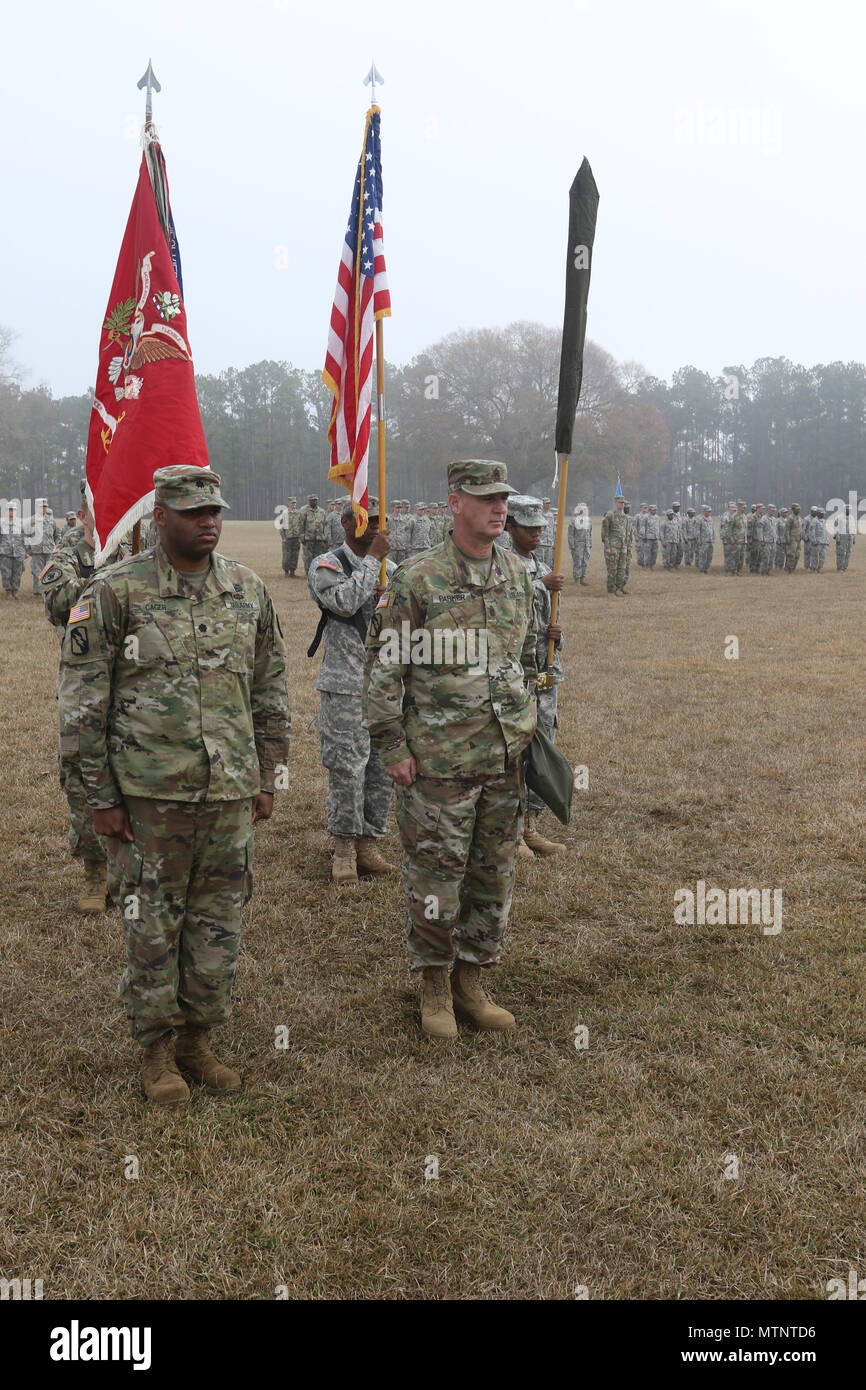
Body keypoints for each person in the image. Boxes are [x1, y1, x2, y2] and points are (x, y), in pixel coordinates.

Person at [57, 465, 290, 1107]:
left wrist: (267, 774)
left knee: (219, 922)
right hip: (149, 797)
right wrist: (99, 799)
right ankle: (156, 1050)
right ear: (159, 516)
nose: (208, 521)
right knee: (152, 923)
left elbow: (269, 686)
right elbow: (81, 706)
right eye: (192, 512)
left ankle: (199, 1041)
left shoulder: (247, 590)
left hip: (228, 793)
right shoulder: (113, 593)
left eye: (214, 510)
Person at [363, 459, 537, 1041]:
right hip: (438, 761)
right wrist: (392, 745)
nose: (499, 507)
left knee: (493, 875)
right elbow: (385, 666)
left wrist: (529, 728)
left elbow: (524, 657)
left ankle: (472, 979)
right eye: (485, 497)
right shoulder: (417, 579)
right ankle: (434, 983)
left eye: (503, 497)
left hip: (503, 758)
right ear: (454, 502)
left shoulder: (517, 574)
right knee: (437, 876)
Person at [307, 497, 396, 885]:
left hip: (385, 687)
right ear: (346, 523)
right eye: (366, 520)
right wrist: (373, 561)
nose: (375, 527)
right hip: (345, 686)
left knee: (381, 770)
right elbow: (343, 603)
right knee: (347, 769)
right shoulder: (327, 565)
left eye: (379, 521)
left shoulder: (391, 571)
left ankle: (368, 843)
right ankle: (343, 847)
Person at [42, 481, 110, 911]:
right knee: (83, 777)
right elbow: (60, 604)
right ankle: (95, 872)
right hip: (84, 685)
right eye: (98, 509)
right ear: (83, 514)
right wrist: (114, 576)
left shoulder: (137, 551)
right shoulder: (65, 558)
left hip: (135, 682)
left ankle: (133, 868)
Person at [504, 496, 566, 858]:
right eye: (529, 529)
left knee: (544, 744)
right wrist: (541, 583)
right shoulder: (506, 566)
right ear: (510, 528)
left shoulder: (544, 565)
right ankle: (510, 830)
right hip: (517, 671)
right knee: (515, 749)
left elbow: (547, 620)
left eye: (540, 528)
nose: (536, 535)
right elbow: (507, 600)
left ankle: (532, 825)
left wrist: (556, 634)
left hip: (544, 670)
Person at [25, 500, 62, 594]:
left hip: (49, 551)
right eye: (42, 507)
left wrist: (56, 547)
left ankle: (48, 592)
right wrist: (28, 549)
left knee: (50, 572)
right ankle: (38, 593)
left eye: (45, 507)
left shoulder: (51, 521)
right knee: (38, 573)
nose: (44, 508)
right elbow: (26, 535)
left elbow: (58, 535)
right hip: (36, 552)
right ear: (37, 507)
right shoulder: (31, 520)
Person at [602, 495, 630, 594]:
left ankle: (618, 589)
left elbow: (626, 533)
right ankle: (610, 590)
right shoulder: (610, 515)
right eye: (620, 502)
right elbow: (605, 533)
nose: (622, 504)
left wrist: (626, 547)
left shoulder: (625, 517)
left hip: (623, 547)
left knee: (621, 569)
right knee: (612, 569)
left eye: (623, 503)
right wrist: (607, 547)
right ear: (616, 503)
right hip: (613, 547)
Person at [0, 504, 27, 598]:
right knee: (6, 572)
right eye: (9, 510)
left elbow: (24, 537)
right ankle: (8, 591)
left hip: (18, 552)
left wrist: (26, 551)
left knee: (17, 572)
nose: (11, 511)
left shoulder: (20, 522)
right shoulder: (1, 522)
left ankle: (15, 591)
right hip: (5, 552)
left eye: (13, 510)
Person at [299, 494, 328, 572]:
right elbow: (301, 525)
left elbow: (325, 525)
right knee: (308, 557)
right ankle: (308, 572)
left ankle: (317, 571)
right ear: (309, 501)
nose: (315, 502)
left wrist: (325, 537)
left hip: (319, 538)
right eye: (313, 500)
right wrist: (302, 537)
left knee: (318, 556)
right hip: (308, 538)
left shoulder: (322, 511)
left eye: (316, 500)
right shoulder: (304, 511)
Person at [568, 503, 592, 583]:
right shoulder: (574, 520)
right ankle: (576, 579)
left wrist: (590, 543)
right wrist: (572, 545)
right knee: (578, 561)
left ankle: (582, 578)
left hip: (586, 544)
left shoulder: (589, 520)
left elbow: (590, 533)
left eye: (586, 509)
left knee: (585, 561)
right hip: (577, 545)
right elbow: (570, 534)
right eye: (583, 509)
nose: (585, 511)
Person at [280, 497, 301, 576]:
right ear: (289, 504)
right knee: (286, 556)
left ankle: (292, 571)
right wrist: (283, 538)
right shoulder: (285, 513)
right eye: (292, 503)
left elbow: (301, 525)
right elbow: (281, 527)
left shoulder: (298, 513)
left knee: (295, 555)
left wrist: (300, 537)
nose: (294, 504)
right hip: (288, 538)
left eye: (295, 503)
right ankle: (286, 571)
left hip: (296, 537)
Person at [729, 500, 747, 575]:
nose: (744, 509)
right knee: (735, 556)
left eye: (744, 508)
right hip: (736, 540)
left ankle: (739, 570)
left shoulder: (744, 516)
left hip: (743, 540)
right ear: (739, 507)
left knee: (741, 557)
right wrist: (732, 539)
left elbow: (745, 528)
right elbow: (729, 529)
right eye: (743, 507)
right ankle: (734, 571)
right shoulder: (733, 516)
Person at [835, 505, 855, 570]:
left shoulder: (852, 517)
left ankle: (845, 567)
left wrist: (854, 538)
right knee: (841, 553)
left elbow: (853, 528)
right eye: (847, 509)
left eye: (849, 509)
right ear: (844, 509)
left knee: (848, 553)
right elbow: (836, 528)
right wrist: (837, 538)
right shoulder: (839, 517)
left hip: (850, 537)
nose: (848, 510)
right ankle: (839, 567)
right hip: (842, 537)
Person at [695, 505, 714, 573]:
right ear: (704, 511)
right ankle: (701, 569)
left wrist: (713, 539)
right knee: (702, 556)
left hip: (710, 540)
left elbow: (712, 529)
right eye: (708, 511)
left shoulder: (710, 519)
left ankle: (706, 568)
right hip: (703, 541)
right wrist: (699, 540)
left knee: (710, 556)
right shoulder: (700, 519)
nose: (709, 513)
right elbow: (697, 531)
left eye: (710, 511)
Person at [784, 503, 803, 572]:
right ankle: (789, 569)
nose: (798, 510)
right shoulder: (790, 518)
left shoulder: (800, 518)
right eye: (797, 509)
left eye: (799, 509)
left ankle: (793, 568)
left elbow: (801, 528)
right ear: (793, 509)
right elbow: (787, 529)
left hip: (798, 539)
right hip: (792, 539)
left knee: (797, 555)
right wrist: (788, 539)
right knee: (791, 555)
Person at [644, 504, 660, 569]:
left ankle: (652, 565)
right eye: (653, 510)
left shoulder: (658, 517)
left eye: (655, 510)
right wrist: (644, 536)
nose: (654, 511)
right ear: (650, 510)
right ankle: (647, 565)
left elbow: (658, 527)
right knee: (648, 552)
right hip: (649, 537)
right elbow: (643, 527)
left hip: (655, 537)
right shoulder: (646, 517)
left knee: (655, 552)